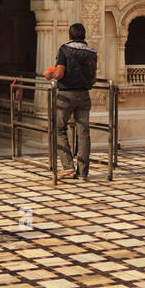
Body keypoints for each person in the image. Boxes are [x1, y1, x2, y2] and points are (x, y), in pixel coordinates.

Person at [45, 22, 97, 182]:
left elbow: (59, 73)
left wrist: (49, 74)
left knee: (58, 128)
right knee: (83, 133)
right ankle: (82, 173)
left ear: (69, 36)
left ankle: (68, 166)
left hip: (66, 95)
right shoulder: (92, 52)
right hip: (84, 95)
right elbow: (93, 79)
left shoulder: (64, 49)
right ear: (84, 36)